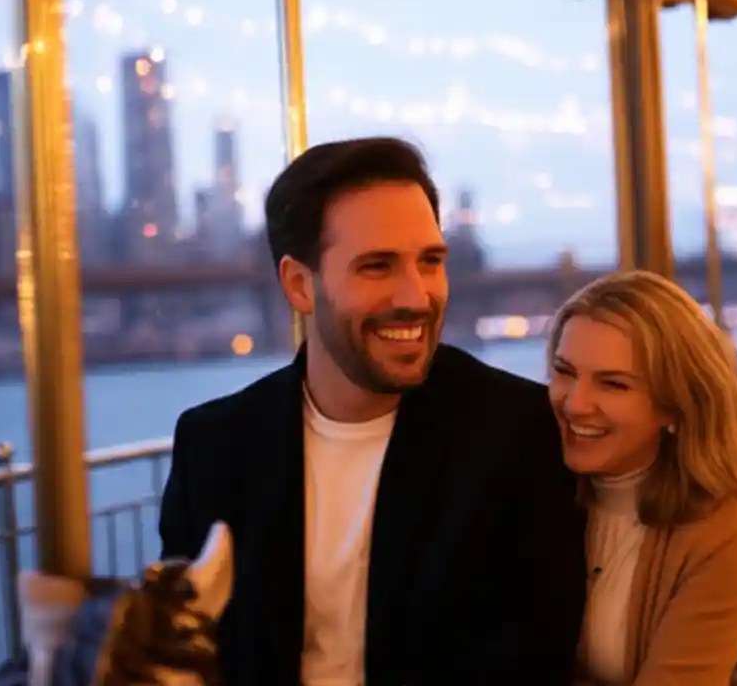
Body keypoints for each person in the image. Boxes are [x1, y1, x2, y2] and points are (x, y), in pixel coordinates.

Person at [158, 136, 587, 685]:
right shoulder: (214, 447)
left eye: (430, 262)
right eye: (377, 267)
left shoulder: (515, 432)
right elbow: (188, 655)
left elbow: (530, 661)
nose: (416, 296)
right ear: (299, 285)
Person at [546, 270, 737, 685]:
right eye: (564, 372)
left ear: (675, 406)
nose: (575, 405)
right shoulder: (527, 479)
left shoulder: (724, 517)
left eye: (612, 384)